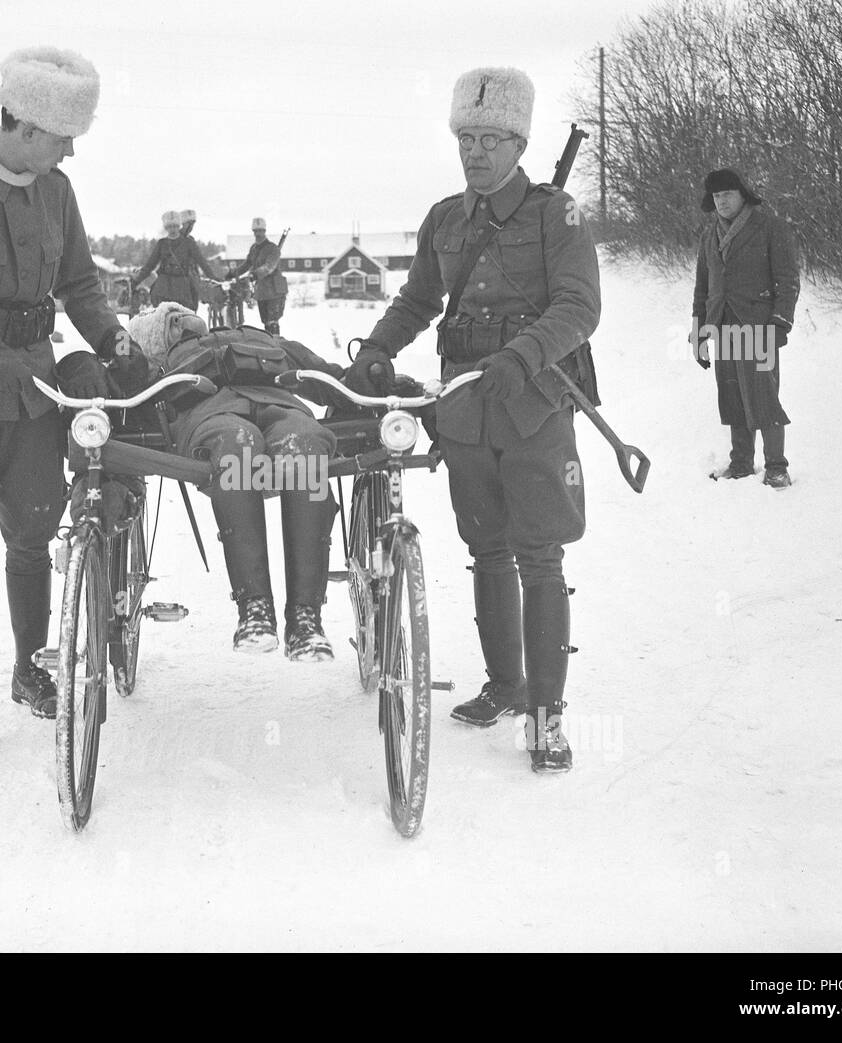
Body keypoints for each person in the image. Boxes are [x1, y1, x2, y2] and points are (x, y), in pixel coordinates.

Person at [342, 67, 601, 773]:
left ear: (519, 145)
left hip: (534, 404)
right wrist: (377, 348)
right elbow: (419, 300)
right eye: (467, 139)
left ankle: (546, 719)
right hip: (462, 405)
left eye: (491, 139)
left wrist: (523, 355)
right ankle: (505, 686)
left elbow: (579, 307)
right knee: (486, 547)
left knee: (540, 554)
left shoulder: (556, 214)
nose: (476, 152)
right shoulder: (445, 219)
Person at [0, 46, 149, 764]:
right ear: (29, 127)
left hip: (33, 394)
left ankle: (30, 673)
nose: (70, 151)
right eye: (64, 137)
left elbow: (79, 286)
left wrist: (116, 344)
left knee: (34, 536)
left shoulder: (55, 192)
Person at [127, 303, 341, 660]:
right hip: (211, 415)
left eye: (178, 315)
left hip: (282, 408)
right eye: (169, 323)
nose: (180, 322)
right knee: (237, 446)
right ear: (157, 343)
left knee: (306, 446)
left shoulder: (262, 340)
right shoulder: (164, 364)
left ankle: (306, 617)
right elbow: (129, 391)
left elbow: (323, 376)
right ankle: (255, 607)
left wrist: (376, 377)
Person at [691, 168, 800, 488]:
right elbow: (702, 288)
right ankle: (741, 463)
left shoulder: (770, 227)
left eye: (727, 194)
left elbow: (787, 280)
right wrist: (699, 332)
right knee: (732, 395)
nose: (721, 201)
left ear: (743, 195)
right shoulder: (709, 235)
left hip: (759, 326)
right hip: (722, 324)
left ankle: (776, 466)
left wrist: (780, 323)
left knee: (763, 395)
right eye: (716, 196)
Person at [132, 211, 211, 311]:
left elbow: (202, 263)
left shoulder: (189, 243)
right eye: (169, 227)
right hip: (163, 288)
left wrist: (215, 278)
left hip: (182, 288)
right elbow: (149, 266)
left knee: (187, 315)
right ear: (166, 228)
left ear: (179, 226)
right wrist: (136, 281)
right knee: (160, 316)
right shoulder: (161, 243)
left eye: (175, 226)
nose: (172, 229)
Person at [230, 218, 288, 334]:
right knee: (266, 323)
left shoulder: (273, 249)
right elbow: (247, 264)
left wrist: (254, 275)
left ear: (264, 231)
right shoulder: (254, 249)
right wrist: (233, 273)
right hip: (262, 292)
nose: (258, 234)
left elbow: (269, 267)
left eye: (260, 231)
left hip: (275, 292)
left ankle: (276, 344)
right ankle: (269, 344)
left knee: (272, 323)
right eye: (256, 231)